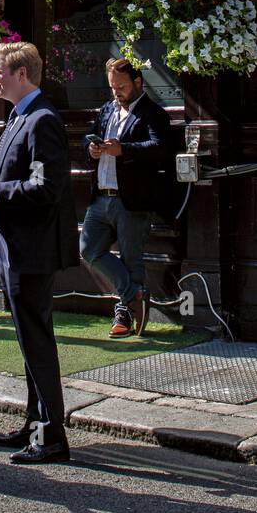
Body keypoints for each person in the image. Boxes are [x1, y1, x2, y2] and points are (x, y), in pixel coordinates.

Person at [0, 42, 78, 465]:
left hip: (31, 250)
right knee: (29, 339)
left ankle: (52, 437)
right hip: (13, 246)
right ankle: (36, 425)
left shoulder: (42, 120)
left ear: (22, 75)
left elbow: (47, 188)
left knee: (37, 342)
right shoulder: (21, 117)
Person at [80, 58, 172, 338]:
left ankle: (126, 315)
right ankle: (134, 296)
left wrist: (125, 150)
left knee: (132, 260)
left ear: (137, 83)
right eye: (112, 87)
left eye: (121, 86)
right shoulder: (108, 109)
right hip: (101, 195)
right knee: (88, 249)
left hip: (132, 198)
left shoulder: (152, 112)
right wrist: (92, 150)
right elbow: (89, 139)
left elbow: (160, 148)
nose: (116, 92)